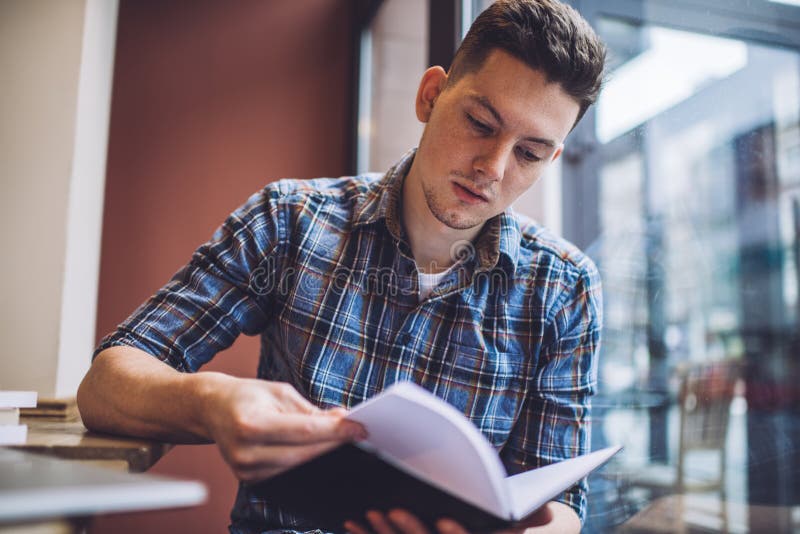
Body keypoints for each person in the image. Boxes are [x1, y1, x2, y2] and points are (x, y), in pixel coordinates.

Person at [77, 0, 606, 532]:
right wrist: (214, 400)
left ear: (552, 159)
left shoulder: (565, 287)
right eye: (479, 122)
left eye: (530, 154)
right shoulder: (290, 220)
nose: (492, 168)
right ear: (430, 96)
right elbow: (106, 385)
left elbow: (560, 499)